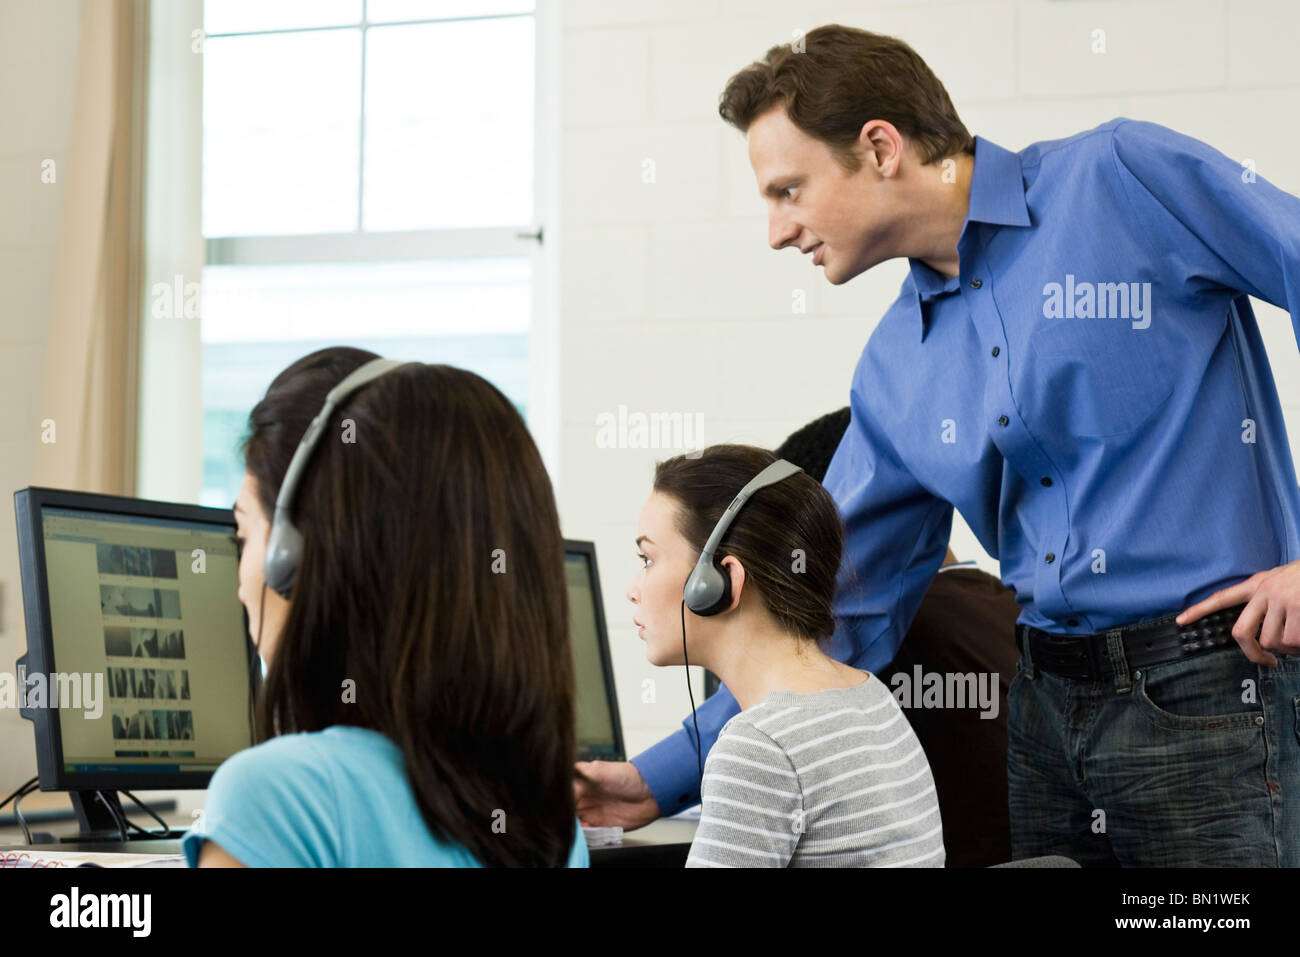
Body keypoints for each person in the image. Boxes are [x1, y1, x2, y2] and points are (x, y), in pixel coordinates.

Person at [580, 24, 1300, 867]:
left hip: (1210, 689)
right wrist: (664, 775)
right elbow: (822, 605)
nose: (777, 231)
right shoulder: (893, 369)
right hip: (1043, 712)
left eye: (788, 190)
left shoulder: (1121, 177)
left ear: (879, 148)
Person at [183, 346, 588, 867]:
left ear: (292, 556)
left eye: (245, 534)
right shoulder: (549, 821)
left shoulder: (276, 800)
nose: (241, 582)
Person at [627, 443, 945, 867]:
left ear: (720, 580)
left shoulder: (760, 748)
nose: (633, 588)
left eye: (647, 558)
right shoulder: (874, 700)